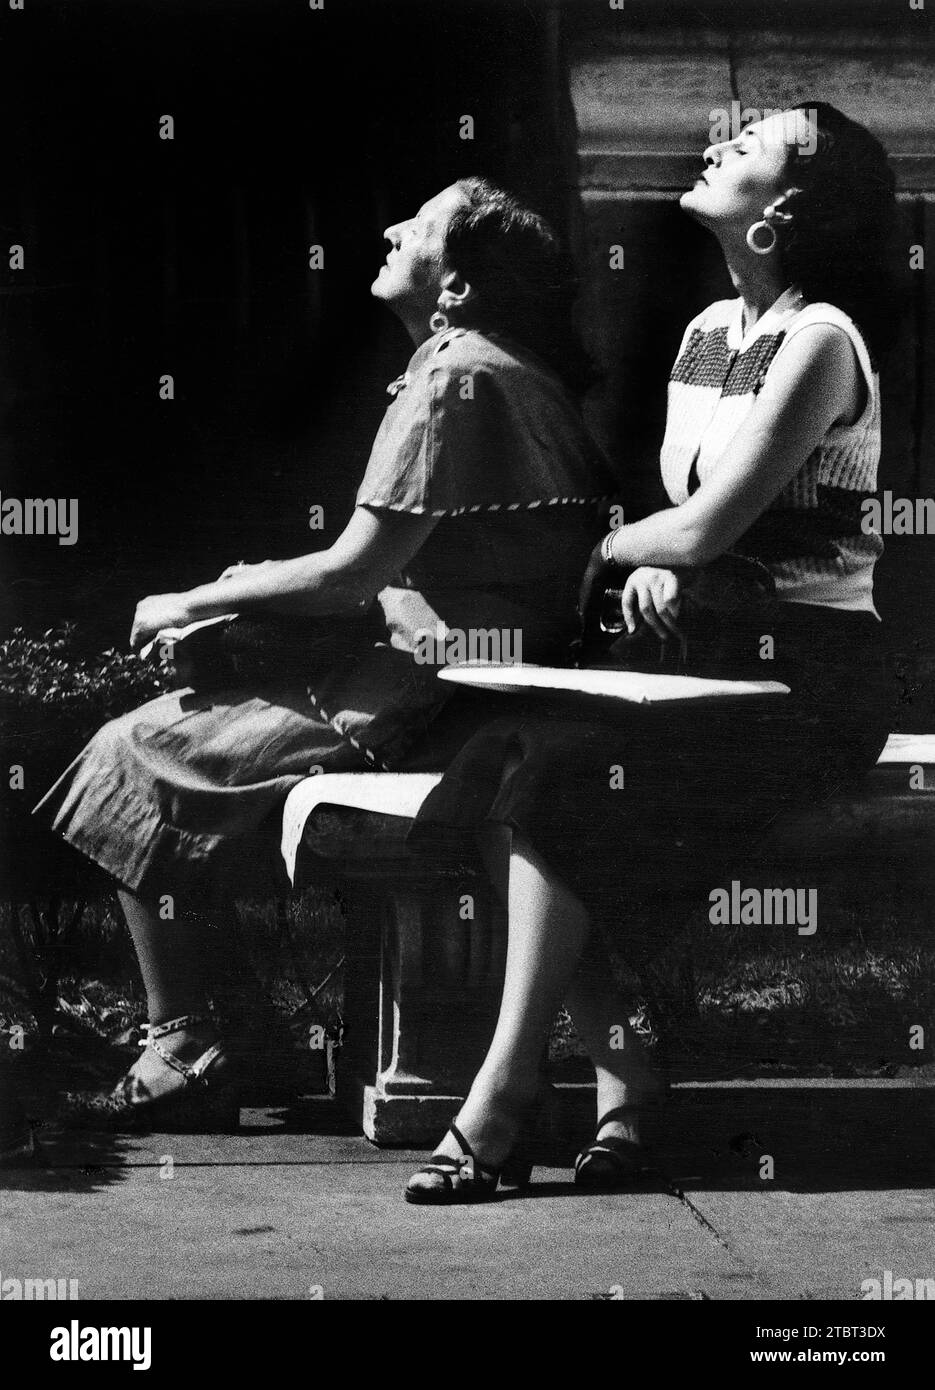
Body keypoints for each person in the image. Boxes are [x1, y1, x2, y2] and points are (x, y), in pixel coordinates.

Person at [33, 177, 614, 1129]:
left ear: (457, 285)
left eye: (417, 226)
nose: (387, 229)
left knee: (134, 749)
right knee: (176, 723)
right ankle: (228, 1035)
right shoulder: (504, 366)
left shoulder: (453, 374)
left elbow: (353, 572)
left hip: (440, 697)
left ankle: (188, 1040)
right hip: (479, 680)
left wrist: (191, 598)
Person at [405, 103, 897, 1203]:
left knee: (566, 781)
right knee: (510, 763)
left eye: (752, 142)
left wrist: (634, 552)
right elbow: (690, 520)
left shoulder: (820, 340)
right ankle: (625, 1081)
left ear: (785, 209)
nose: (718, 141)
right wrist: (660, 559)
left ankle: (503, 1093)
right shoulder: (706, 334)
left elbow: (705, 526)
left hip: (807, 676)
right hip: (703, 657)